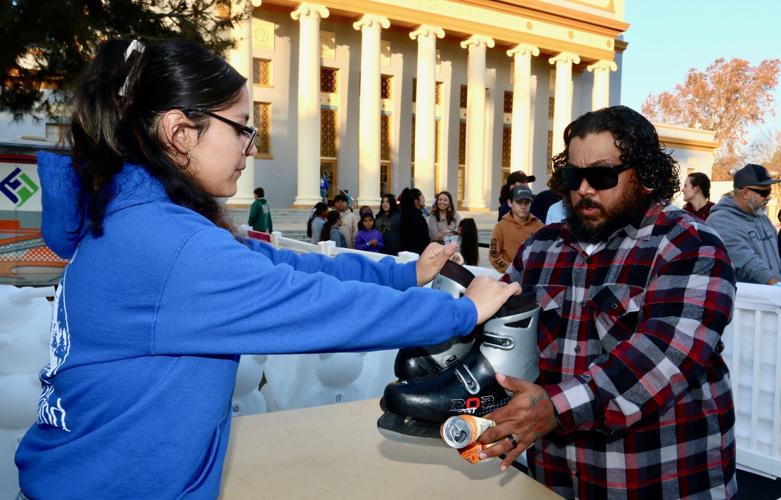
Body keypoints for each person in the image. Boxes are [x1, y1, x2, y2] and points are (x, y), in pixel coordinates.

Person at [14, 38, 521, 499]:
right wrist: (459, 313)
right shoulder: (172, 247)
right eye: (241, 127)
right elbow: (318, 307)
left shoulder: (138, 222)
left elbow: (282, 265)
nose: (251, 147)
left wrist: (404, 276)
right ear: (179, 131)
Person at [477, 106, 738, 499]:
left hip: (661, 480)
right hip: (556, 480)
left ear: (645, 175)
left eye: (601, 176)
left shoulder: (690, 245)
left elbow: (658, 359)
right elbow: (498, 330)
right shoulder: (540, 248)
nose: (584, 188)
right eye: (573, 176)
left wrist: (554, 408)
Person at [707, 163, 781, 285]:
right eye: (764, 192)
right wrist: (776, 286)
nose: (768, 197)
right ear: (746, 193)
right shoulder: (720, 221)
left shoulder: (762, 218)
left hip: (771, 293)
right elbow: (747, 263)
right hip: (745, 296)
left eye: (769, 191)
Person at [488, 185, 542, 273]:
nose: (523, 207)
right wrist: (511, 270)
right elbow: (493, 255)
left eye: (527, 202)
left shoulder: (539, 227)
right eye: (519, 202)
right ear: (510, 203)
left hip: (534, 276)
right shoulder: (500, 227)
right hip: (509, 277)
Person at [399, 188, 430, 255]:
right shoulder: (417, 217)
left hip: (406, 253)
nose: (424, 199)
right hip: (416, 254)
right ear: (416, 201)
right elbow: (422, 240)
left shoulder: (405, 214)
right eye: (422, 197)